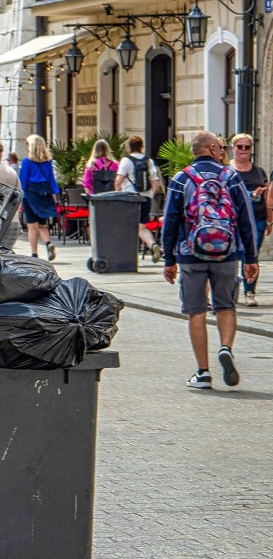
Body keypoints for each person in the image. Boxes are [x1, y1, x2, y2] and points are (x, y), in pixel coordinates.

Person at [162, 130, 259, 389]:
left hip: (190, 254)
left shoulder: (181, 178)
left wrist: (169, 259)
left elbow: (170, 221)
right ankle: (225, 347)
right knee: (226, 306)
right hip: (227, 253)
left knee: (196, 311)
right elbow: (246, 219)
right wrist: (250, 257)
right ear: (214, 149)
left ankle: (203, 372)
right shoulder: (231, 177)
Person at [226, 133, 270, 306]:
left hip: (256, 219)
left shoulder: (258, 171)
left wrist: (269, 220)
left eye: (247, 147)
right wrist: (251, 195)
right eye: (240, 146)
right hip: (231, 220)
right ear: (233, 148)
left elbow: (268, 197)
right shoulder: (227, 171)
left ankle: (249, 291)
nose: (243, 150)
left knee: (251, 254)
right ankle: (229, 291)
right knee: (229, 256)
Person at [113, 134, 164, 262]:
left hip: (129, 198)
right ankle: (153, 245)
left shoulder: (126, 161)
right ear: (142, 146)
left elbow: (118, 181)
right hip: (145, 198)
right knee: (141, 227)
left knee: (125, 225)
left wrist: (117, 194)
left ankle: (125, 253)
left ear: (129, 147)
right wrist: (150, 195)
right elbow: (155, 183)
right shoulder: (148, 161)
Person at [19, 134, 60, 261]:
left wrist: (19, 197)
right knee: (42, 224)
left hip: (30, 194)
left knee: (32, 225)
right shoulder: (48, 163)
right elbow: (51, 180)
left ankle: (34, 253)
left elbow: (22, 181)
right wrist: (54, 196)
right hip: (45, 193)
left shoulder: (26, 162)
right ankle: (48, 243)